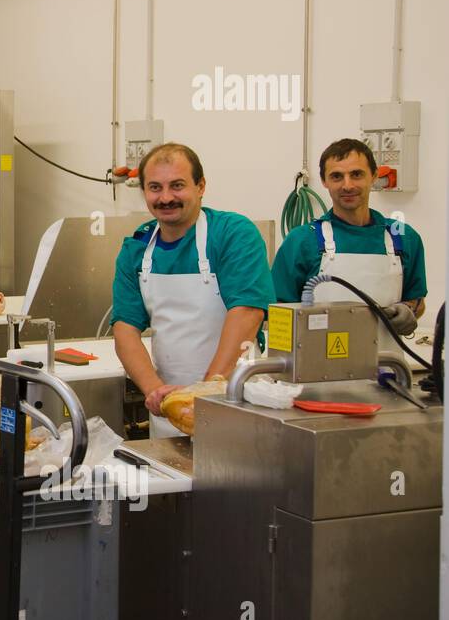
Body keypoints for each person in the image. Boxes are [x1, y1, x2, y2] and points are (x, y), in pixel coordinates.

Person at [111, 143, 276, 437]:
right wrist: (156, 392)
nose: (165, 198)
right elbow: (125, 328)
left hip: (233, 399)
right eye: (154, 187)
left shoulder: (232, 233)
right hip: (170, 411)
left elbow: (247, 313)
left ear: (201, 186)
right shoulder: (136, 248)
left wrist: (208, 390)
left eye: (177, 186)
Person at [271, 138, 426, 347]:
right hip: (316, 371)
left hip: (387, 369)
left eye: (356, 174)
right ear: (324, 181)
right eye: (337, 176)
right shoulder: (301, 241)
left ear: (374, 175)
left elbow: (417, 300)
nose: (347, 185)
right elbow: (277, 313)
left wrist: (409, 311)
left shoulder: (403, 237)